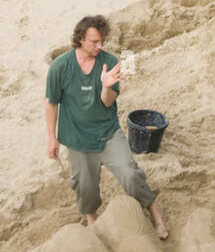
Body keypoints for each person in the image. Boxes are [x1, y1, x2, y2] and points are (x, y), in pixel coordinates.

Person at [46, 16, 168, 239]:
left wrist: (106, 86)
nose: (100, 46)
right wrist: (51, 138)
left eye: (102, 41)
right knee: (85, 187)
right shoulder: (60, 67)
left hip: (107, 133)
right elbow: (51, 102)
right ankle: (93, 223)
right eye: (95, 42)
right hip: (77, 138)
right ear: (80, 39)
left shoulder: (109, 62)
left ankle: (154, 213)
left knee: (130, 174)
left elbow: (108, 102)